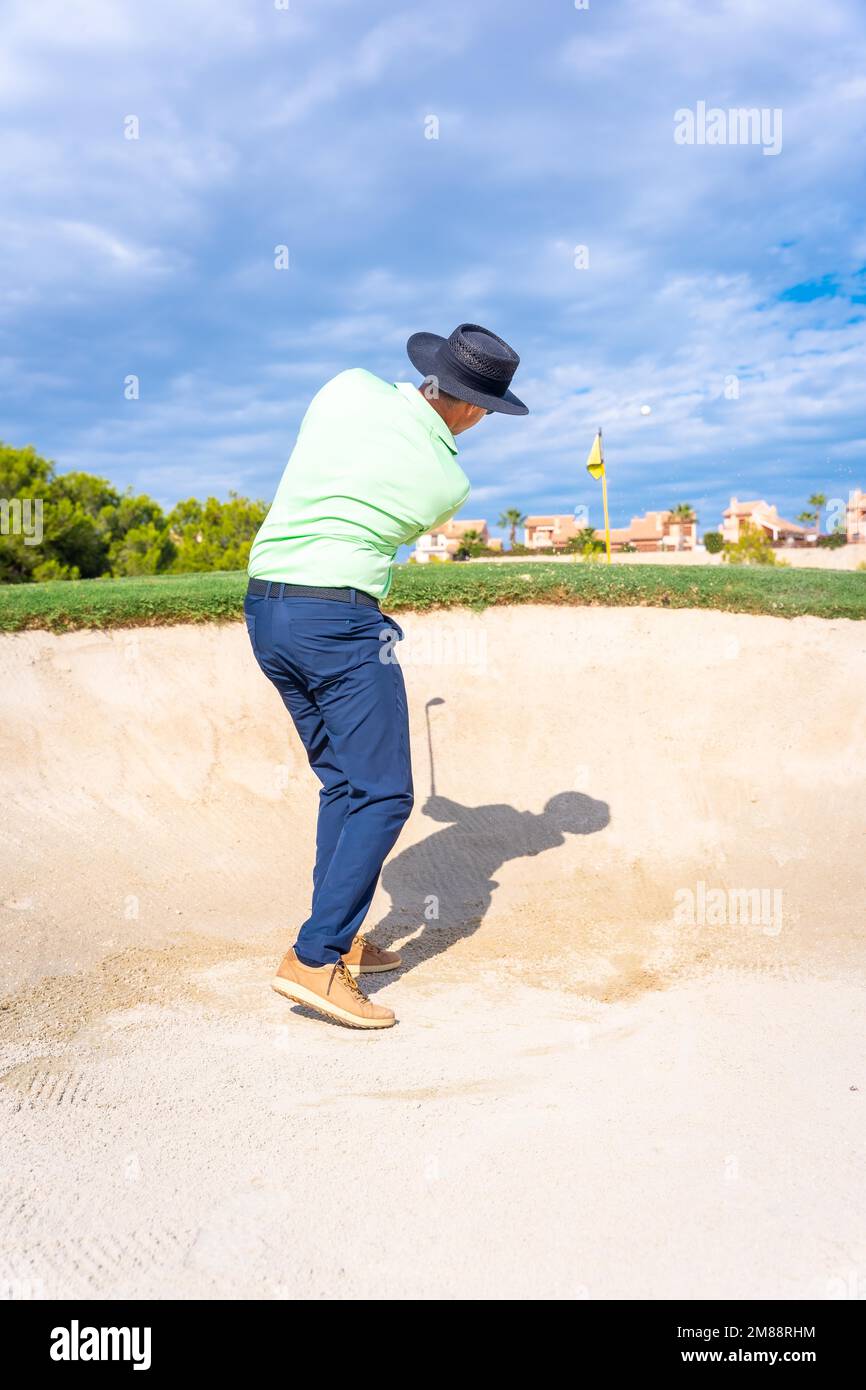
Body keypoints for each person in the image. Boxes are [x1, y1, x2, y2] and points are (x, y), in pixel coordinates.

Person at [244, 323, 528, 1028]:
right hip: (336, 622)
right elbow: (392, 519)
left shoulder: (344, 387)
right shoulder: (447, 480)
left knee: (343, 781)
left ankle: (337, 932)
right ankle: (315, 960)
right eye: (486, 411)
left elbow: (363, 441)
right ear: (469, 405)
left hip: (265, 608)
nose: (483, 422)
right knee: (383, 793)